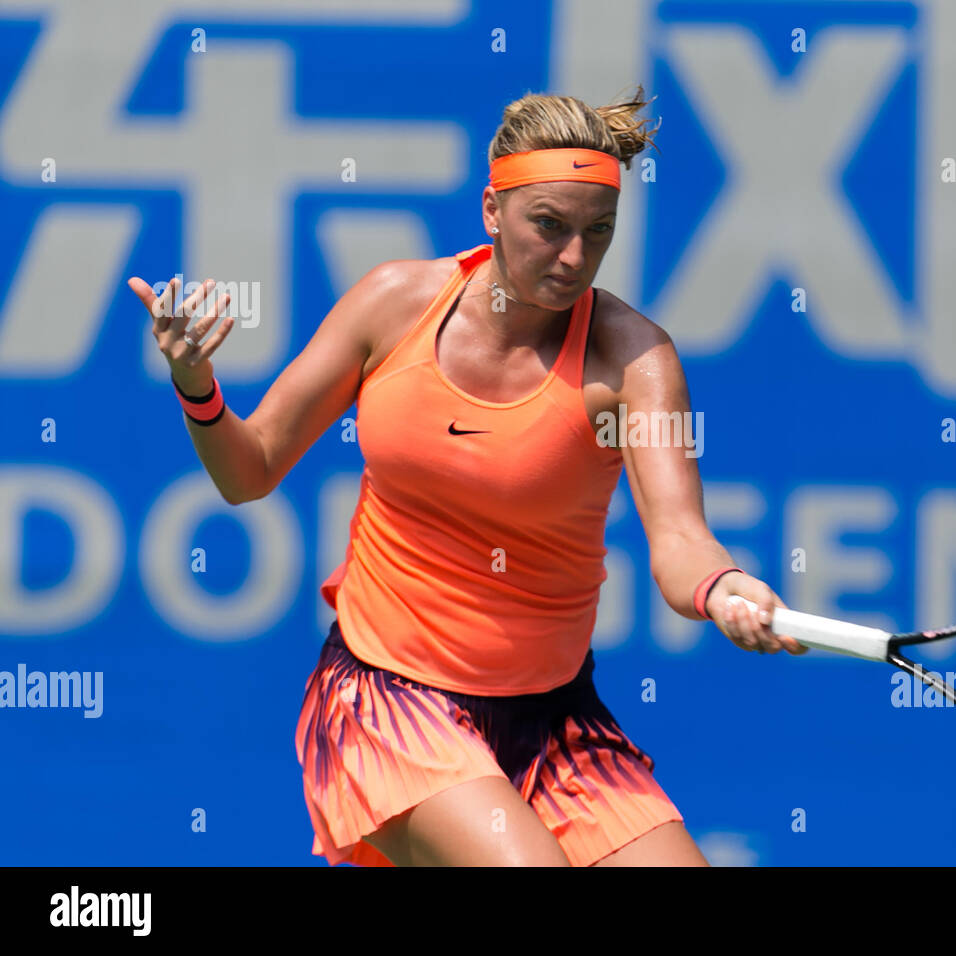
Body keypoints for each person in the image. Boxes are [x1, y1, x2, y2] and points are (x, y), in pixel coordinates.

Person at [128, 85, 806, 867]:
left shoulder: (636, 361)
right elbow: (248, 472)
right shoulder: (392, 304)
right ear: (492, 210)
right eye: (548, 226)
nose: (573, 258)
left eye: (598, 233)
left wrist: (721, 587)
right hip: (385, 700)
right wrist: (196, 384)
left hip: (556, 722)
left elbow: (680, 539)